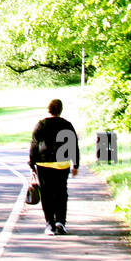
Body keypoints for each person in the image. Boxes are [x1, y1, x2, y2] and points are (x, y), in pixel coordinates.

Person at [28, 98, 80, 236]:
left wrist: (31, 163)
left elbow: (34, 145)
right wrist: (76, 164)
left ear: (49, 109)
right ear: (60, 110)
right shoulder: (67, 125)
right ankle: (61, 223)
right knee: (61, 193)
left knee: (46, 194)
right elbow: (74, 145)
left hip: (44, 164)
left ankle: (50, 224)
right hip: (62, 164)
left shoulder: (41, 125)